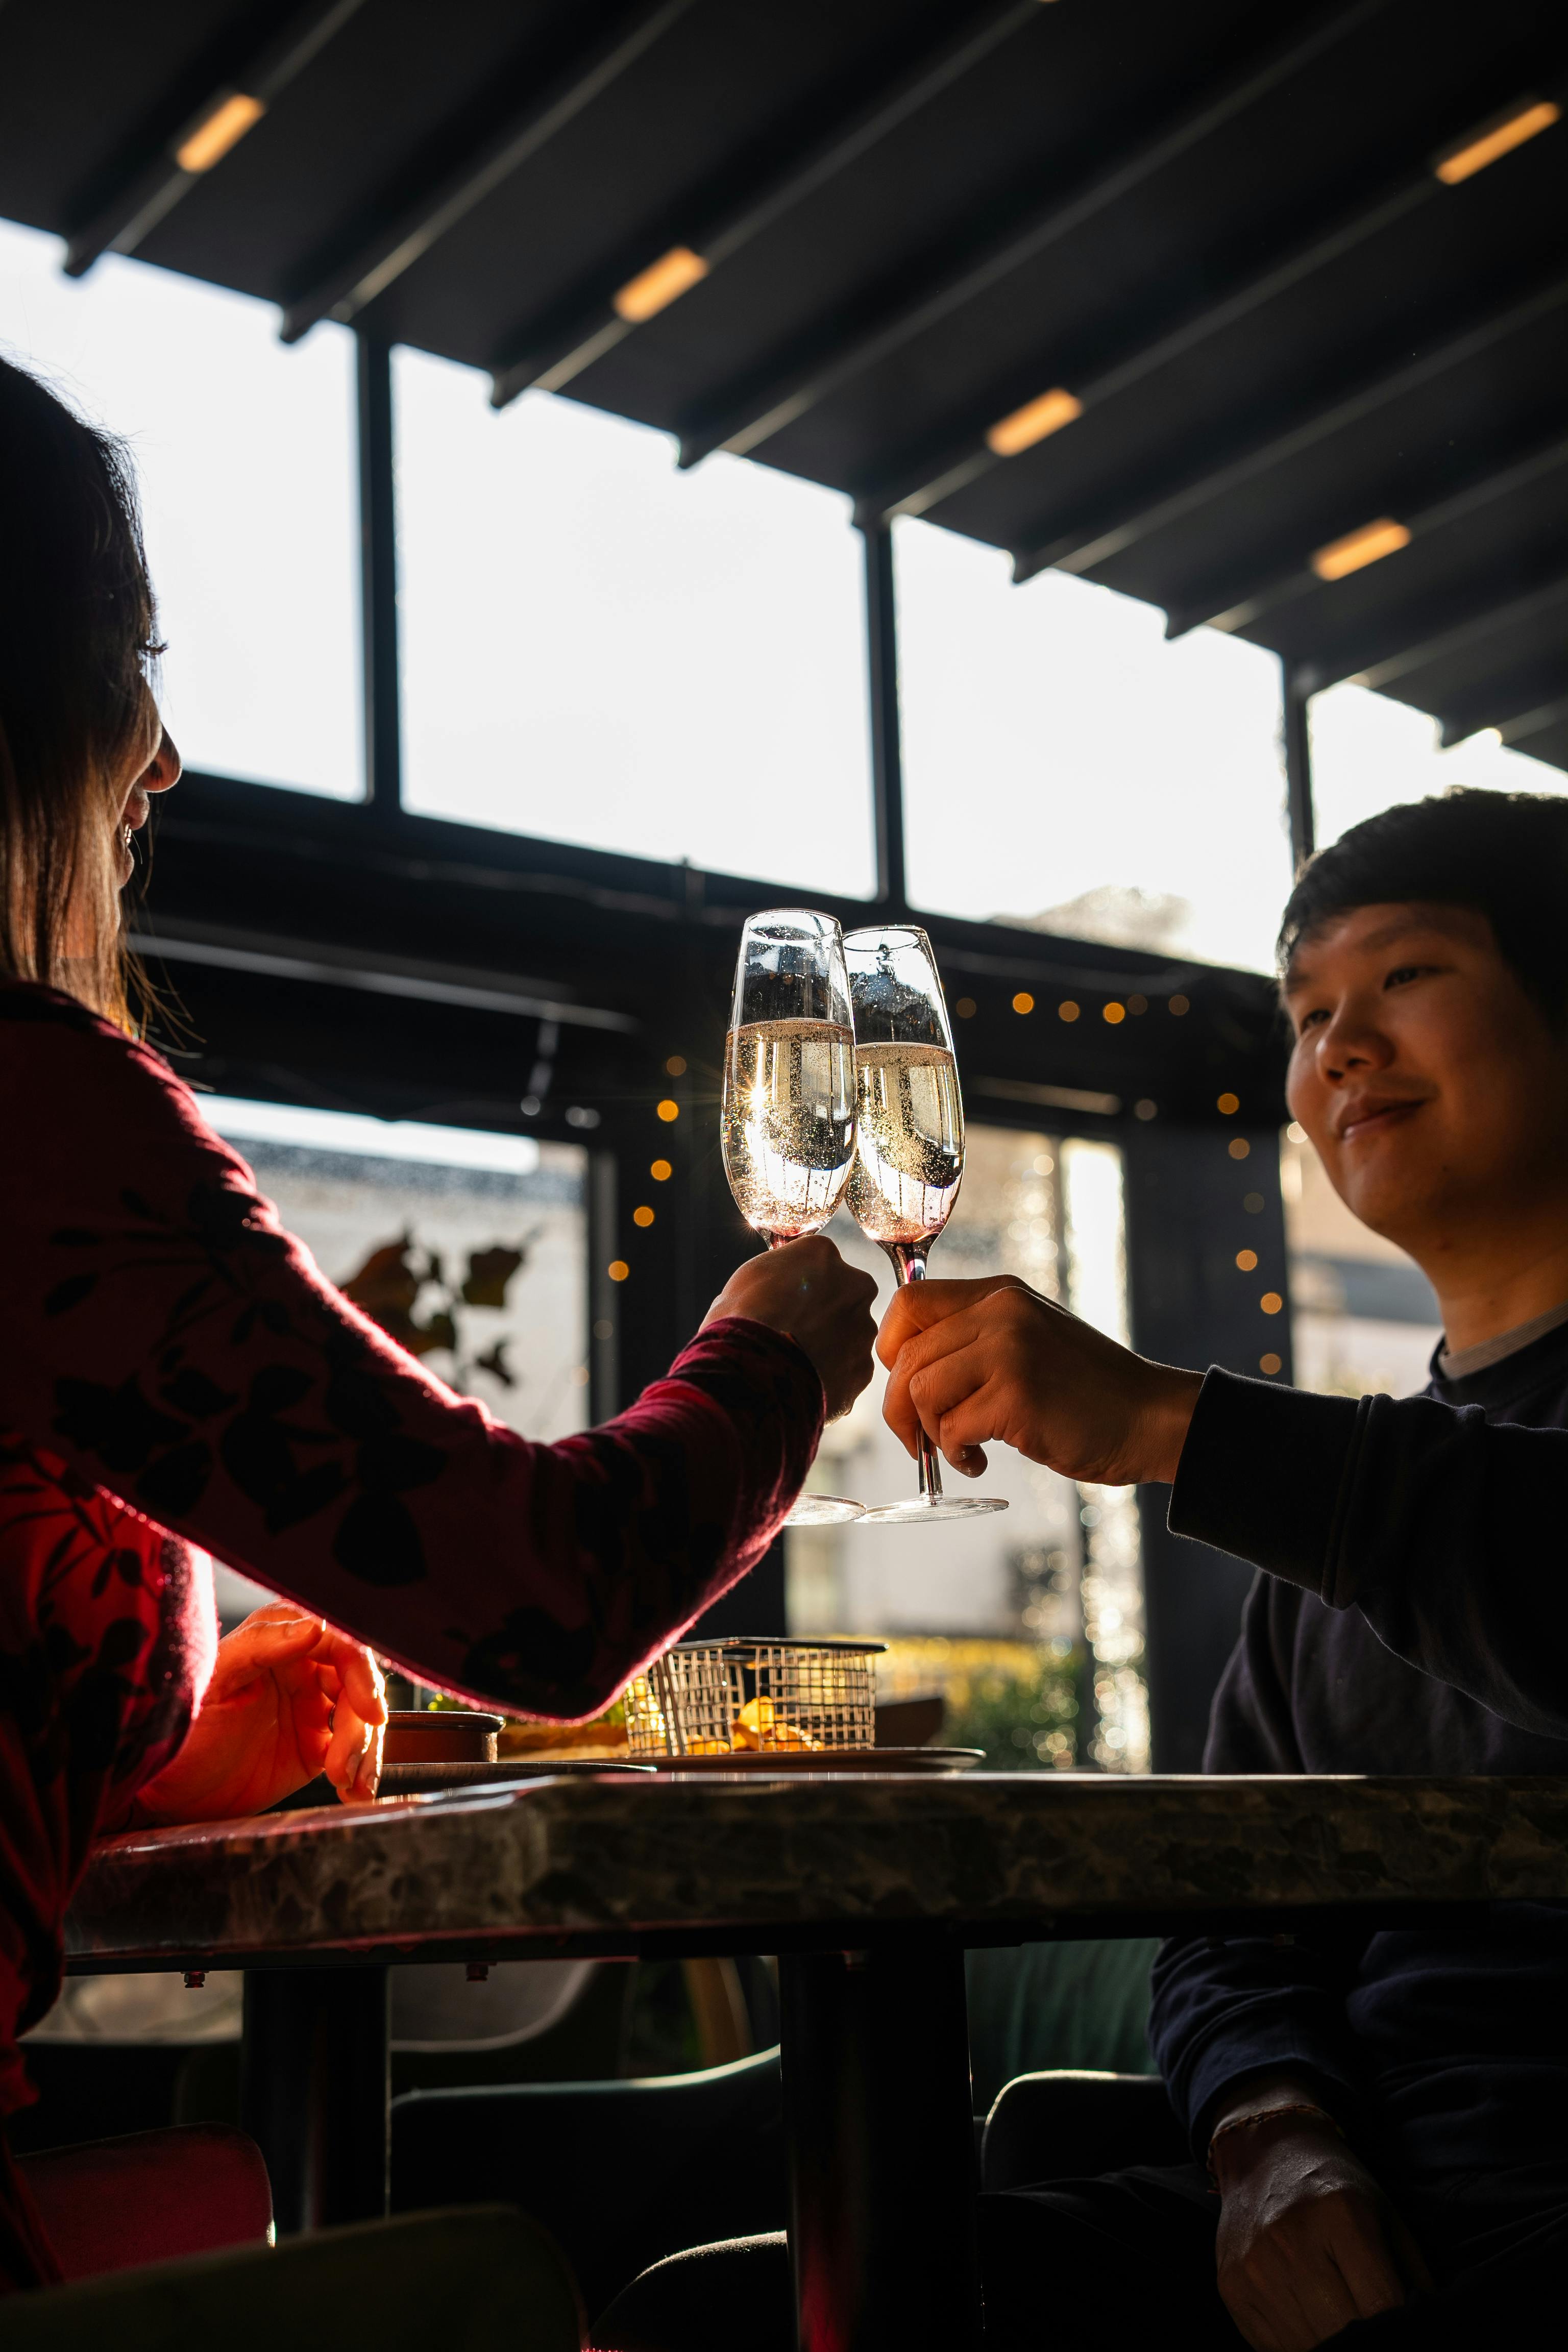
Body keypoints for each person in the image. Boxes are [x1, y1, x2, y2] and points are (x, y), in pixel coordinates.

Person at [0, 353, 878, 2293]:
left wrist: (155, 1743)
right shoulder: (34, 1109)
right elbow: (546, 1590)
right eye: (128, 661)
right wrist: (779, 1353)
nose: (160, 760)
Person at [873, 786, 1568, 2347]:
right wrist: (1270, 2129)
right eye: (1309, 1011)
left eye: (1404, 978)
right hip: (1349, 2201)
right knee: (761, 2305)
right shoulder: (1334, 1515)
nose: (1340, 1046)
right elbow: (1227, 1911)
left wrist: (1167, 1420)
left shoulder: (1337, 1495)